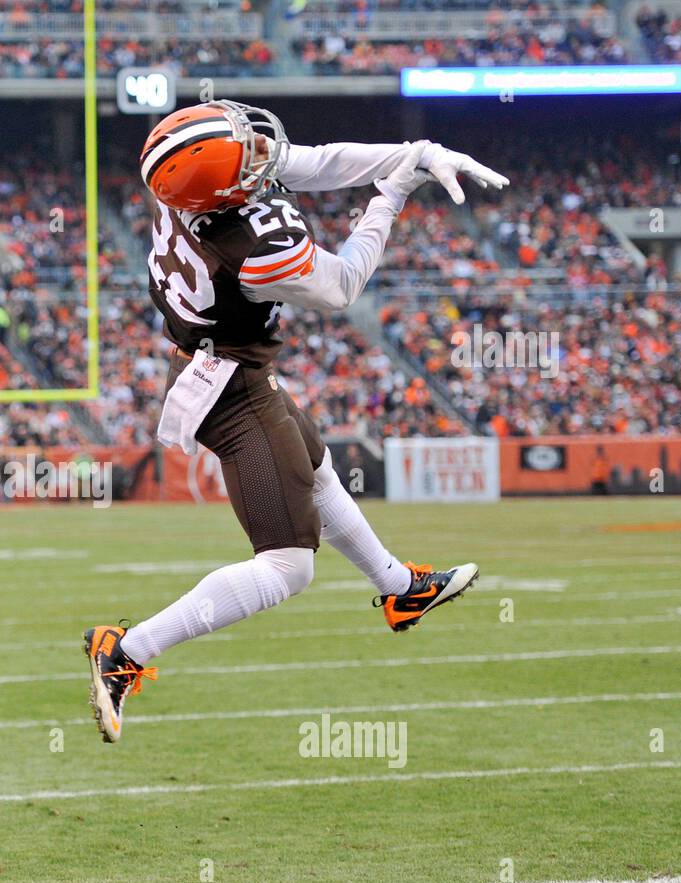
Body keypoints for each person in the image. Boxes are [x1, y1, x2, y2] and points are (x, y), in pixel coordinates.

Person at [84, 100, 507, 743]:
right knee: (289, 566)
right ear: (221, 188)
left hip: (231, 364)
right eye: (246, 154)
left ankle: (401, 587)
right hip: (230, 387)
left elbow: (314, 161)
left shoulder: (186, 189)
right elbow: (343, 284)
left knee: (314, 463)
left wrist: (414, 152)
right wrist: (390, 195)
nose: (263, 150)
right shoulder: (250, 248)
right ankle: (127, 649)